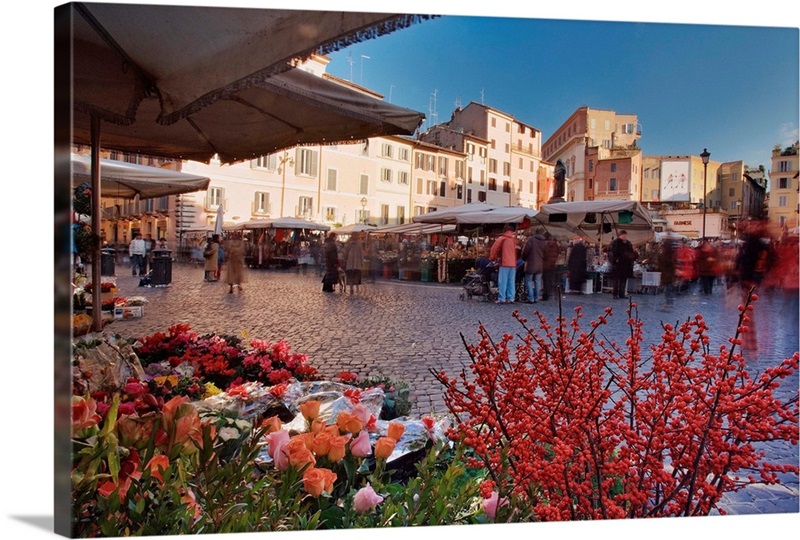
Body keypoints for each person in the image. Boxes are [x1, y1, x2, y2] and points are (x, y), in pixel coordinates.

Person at [489, 224, 519, 304]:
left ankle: (502, 298)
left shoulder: (502, 238)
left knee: (502, 281)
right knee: (511, 281)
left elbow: (494, 249)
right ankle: (511, 298)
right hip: (513, 263)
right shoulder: (514, 240)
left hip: (504, 262)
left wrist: (492, 258)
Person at [520, 227, 546, 303]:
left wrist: (524, 259)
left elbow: (525, 251)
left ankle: (530, 298)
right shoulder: (544, 242)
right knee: (538, 282)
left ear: (536, 232)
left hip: (531, 264)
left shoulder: (531, 240)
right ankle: (536, 298)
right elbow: (545, 254)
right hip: (540, 265)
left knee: (529, 281)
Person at [609, 230, 637, 299]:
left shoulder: (628, 243)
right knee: (616, 280)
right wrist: (615, 261)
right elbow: (613, 253)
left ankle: (622, 294)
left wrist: (633, 252)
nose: (624, 236)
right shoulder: (615, 242)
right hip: (618, 265)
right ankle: (615, 294)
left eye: (625, 235)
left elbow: (632, 254)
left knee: (623, 280)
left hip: (626, 265)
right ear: (620, 235)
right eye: (623, 235)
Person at [657, 237, 678, 310]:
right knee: (668, 289)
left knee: (668, 289)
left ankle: (668, 303)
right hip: (668, 274)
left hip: (667, 274)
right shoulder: (671, 254)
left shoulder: (666, 254)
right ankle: (668, 303)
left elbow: (665, 263)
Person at [541, 233, 560, 300]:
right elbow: (558, 253)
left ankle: (546, 294)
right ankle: (550, 292)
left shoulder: (545, 244)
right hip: (553, 264)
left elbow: (544, 254)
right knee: (550, 279)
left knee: (545, 279)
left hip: (545, 264)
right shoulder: (555, 244)